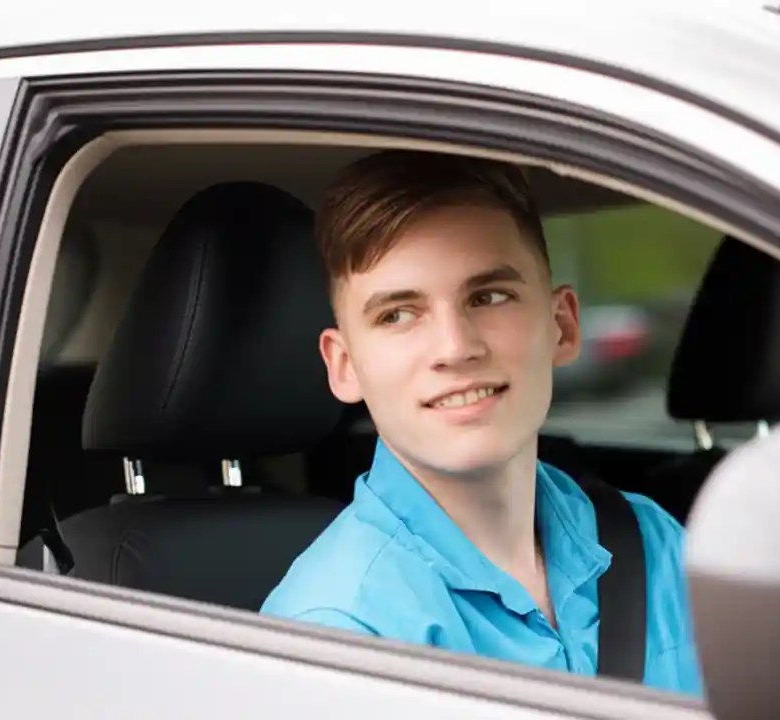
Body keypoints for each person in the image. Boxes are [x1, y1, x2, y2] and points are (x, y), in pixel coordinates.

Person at [261, 150, 701, 695]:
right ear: (345, 366)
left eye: (489, 296)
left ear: (561, 325)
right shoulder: (338, 638)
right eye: (398, 314)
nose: (455, 347)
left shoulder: (653, 544)